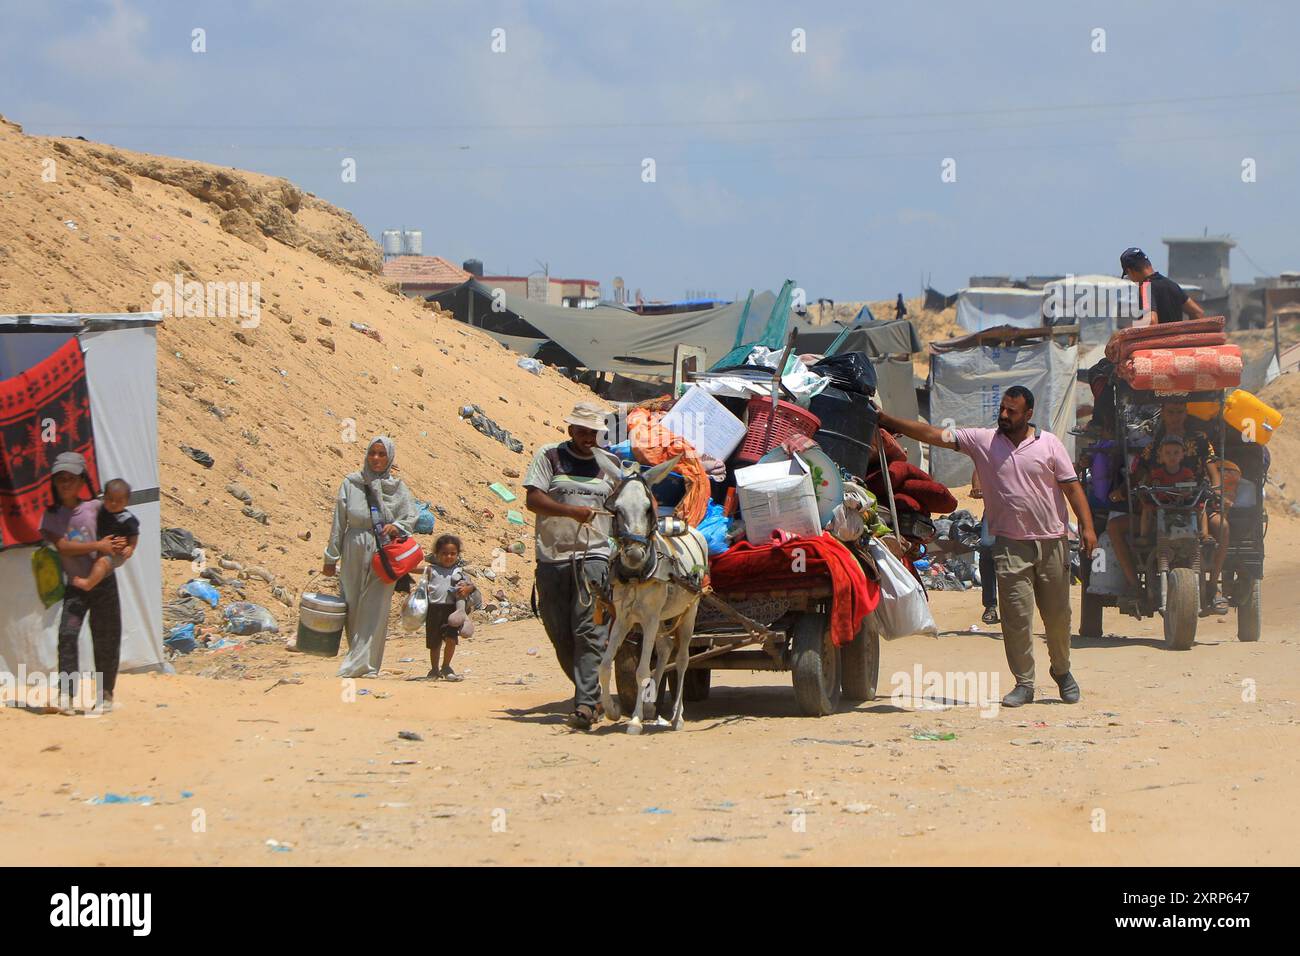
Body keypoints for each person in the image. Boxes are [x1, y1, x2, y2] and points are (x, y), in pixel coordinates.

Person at [878, 386, 1097, 707]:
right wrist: (886, 420)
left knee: (1057, 617)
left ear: (1028, 415)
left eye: (1012, 411)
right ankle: (1024, 683)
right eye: (1003, 409)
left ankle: (1062, 672)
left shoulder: (1049, 444)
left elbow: (1072, 488)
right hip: (1010, 545)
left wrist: (1088, 527)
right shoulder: (983, 441)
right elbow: (934, 434)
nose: (1004, 416)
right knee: (1015, 616)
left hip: (1052, 543)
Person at [523, 401, 621, 730]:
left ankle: (586, 703)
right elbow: (532, 500)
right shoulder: (549, 456)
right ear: (570, 431)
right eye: (582, 431)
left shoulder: (612, 465)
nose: (588, 437)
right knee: (559, 633)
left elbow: (626, 504)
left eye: (593, 431)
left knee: (588, 631)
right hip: (552, 557)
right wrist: (570, 512)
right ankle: (588, 693)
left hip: (593, 557)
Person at [1108, 401, 1228, 610]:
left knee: (1223, 526)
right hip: (1157, 509)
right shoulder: (1153, 445)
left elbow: (1213, 471)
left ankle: (1213, 586)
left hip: (1195, 505)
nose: (1175, 416)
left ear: (1185, 413)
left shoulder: (1200, 440)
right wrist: (1122, 491)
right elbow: (1139, 474)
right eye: (1171, 412)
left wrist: (1217, 491)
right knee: (1113, 527)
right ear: (1163, 414)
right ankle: (1134, 586)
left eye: (1179, 412)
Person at [323, 436, 419, 678]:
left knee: (375, 608)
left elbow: (411, 516)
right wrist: (330, 557)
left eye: (381, 454)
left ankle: (366, 666)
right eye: (372, 454)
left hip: (383, 552)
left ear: (389, 458)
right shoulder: (351, 483)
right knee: (353, 604)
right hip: (353, 546)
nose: (376, 459)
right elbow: (339, 521)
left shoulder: (397, 488)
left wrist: (396, 526)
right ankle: (356, 657)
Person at [39, 452, 127, 713]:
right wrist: (97, 545)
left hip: (104, 585)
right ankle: (65, 696)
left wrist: (119, 544)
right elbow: (63, 547)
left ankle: (105, 695)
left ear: (81, 481)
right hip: (76, 585)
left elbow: (117, 537)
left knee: (106, 639)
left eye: (71, 478)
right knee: (67, 635)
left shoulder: (97, 509)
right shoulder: (52, 516)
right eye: (60, 479)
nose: (65, 483)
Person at [422, 534, 482, 682]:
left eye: (452, 553)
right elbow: (413, 569)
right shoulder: (431, 570)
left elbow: (472, 586)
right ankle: (434, 669)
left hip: (453, 611)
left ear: (457, 554)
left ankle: (446, 666)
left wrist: (468, 589)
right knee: (434, 642)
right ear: (437, 554)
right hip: (434, 610)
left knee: (451, 639)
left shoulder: (459, 571)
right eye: (444, 553)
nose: (448, 557)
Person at [69, 479, 139, 592]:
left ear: (126, 502)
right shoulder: (101, 509)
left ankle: (88, 583)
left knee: (102, 562)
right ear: (104, 497)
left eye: (119, 501)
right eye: (110, 499)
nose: (113, 504)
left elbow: (134, 535)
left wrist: (130, 547)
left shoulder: (127, 518)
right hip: (100, 547)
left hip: (115, 553)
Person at [1139, 435, 1208, 542]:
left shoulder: (1186, 472)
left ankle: (1204, 534)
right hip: (1162, 502)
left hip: (1183, 502)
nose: (1172, 456)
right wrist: (1155, 483)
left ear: (1182, 455)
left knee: (1200, 508)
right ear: (1161, 455)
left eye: (1176, 453)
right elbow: (1155, 482)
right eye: (1167, 453)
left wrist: (1187, 489)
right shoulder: (1158, 473)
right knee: (1146, 509)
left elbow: (1190, 484)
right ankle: (1144, 536)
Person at [1119, 246, 1205, 324]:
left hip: (1157, 341)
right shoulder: (1172, 285)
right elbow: (1197, 313)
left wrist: (1124, 333)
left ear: (1129, 271)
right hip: (1178, 340)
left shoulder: (1145, 288)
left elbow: (1151, 321)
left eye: (1128, 275)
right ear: (1148, 263)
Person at [970, 467, 998, 625]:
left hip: (1021, 513)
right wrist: (977, 487)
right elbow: (979, 467)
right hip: (994, 511)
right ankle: (990, 606)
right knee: (987, 551)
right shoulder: (993, 449)